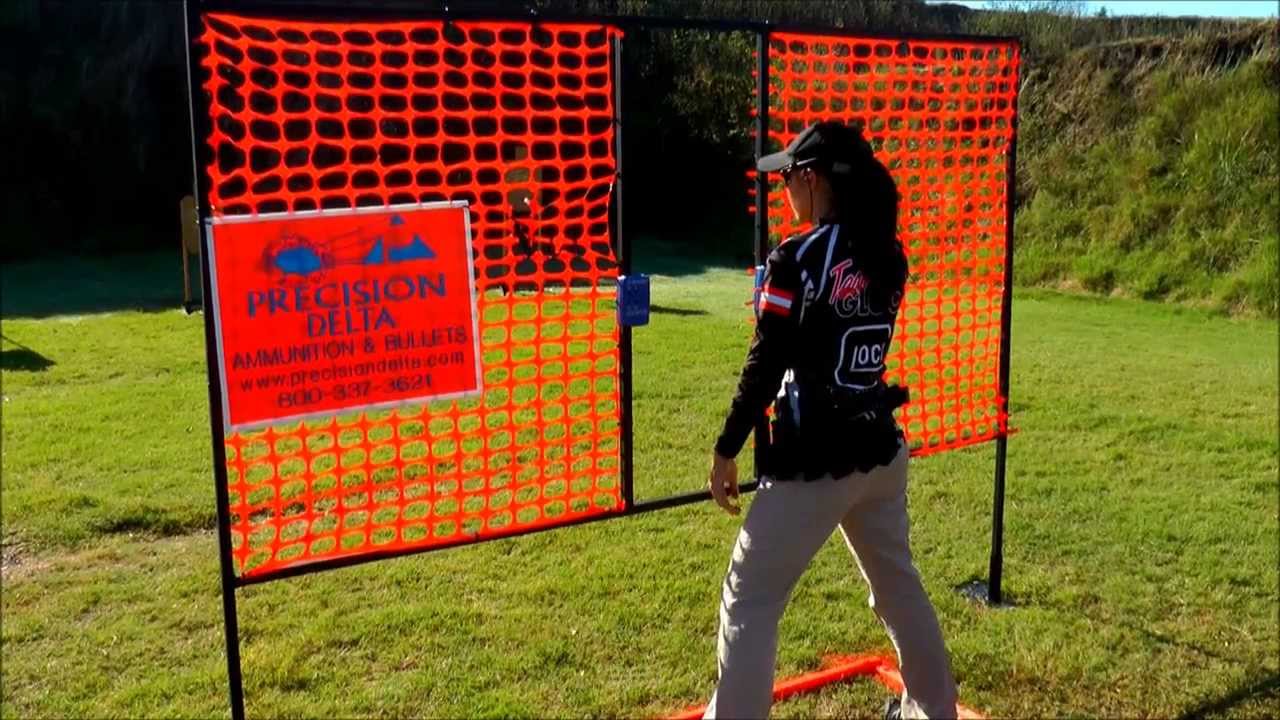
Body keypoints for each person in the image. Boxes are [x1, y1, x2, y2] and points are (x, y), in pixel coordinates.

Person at [703, 121, 957, 720]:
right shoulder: (887, 251)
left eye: (789, 176)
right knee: (898, 588)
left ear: (813, 179)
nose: (784, 187)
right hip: (879, 450)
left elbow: (765, 362)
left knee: (750, 598)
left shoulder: (798, 258)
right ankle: (933, 709)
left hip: (819, 460)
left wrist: (726, 447)